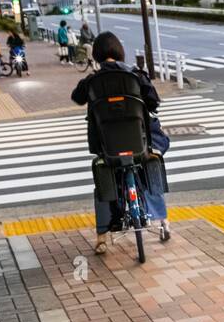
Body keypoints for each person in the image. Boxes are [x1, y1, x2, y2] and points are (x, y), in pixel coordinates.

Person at [70, 31, 170, 254]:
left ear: (96, 54)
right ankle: (162, 222)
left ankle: (102, 237)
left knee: (104, 176)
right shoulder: (136, 74)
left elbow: (76, 97)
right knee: (152, 158)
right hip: (139, 143)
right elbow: (154, 102)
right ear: (119, 51)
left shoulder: (91, 80)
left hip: (107, 146)